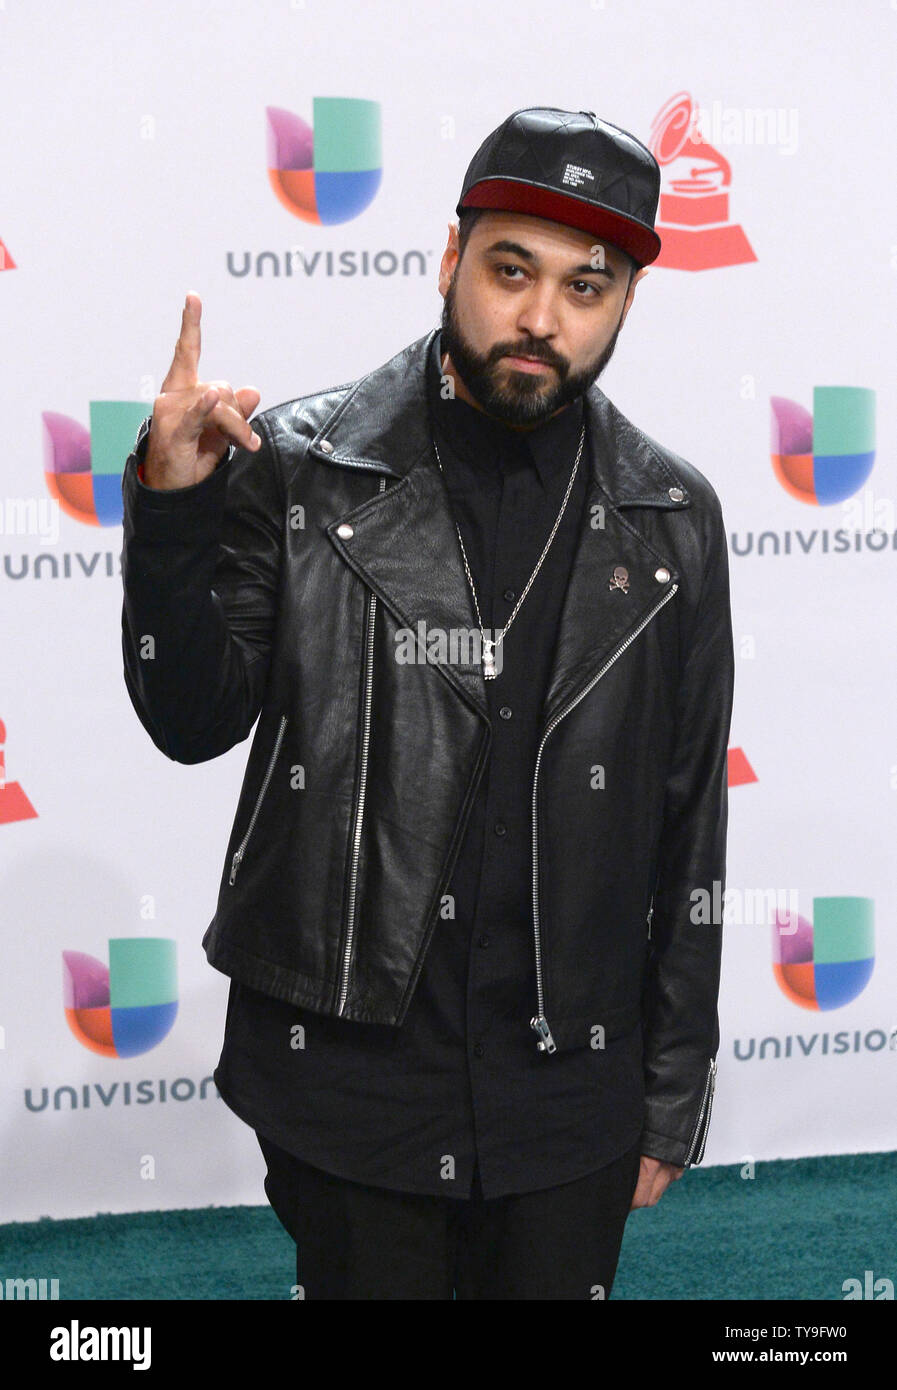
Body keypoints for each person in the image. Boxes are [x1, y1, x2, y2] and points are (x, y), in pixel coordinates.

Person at [120, 107, 735, 1300]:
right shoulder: (303, 465)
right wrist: (175, 503)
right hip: (353, 1085)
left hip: (569, 1088)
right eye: (513, 270)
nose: (543, 319)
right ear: (451, 259)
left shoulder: (672, 519)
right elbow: (189, 717)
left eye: (587, 288)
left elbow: (687, 819)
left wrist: (671, 1086)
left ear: (624, 305)